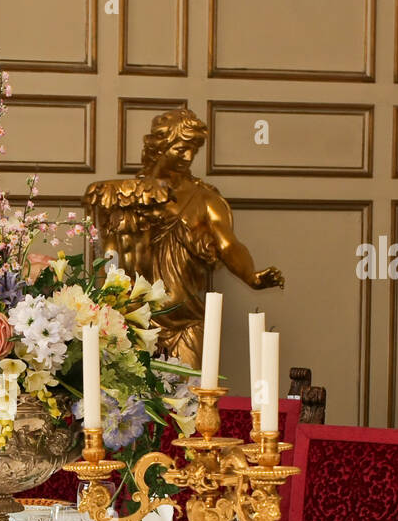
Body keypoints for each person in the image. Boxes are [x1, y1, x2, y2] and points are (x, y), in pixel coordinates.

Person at [84, 108, 285, 368]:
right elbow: (109, 258)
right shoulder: (123, 197)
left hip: (185, 322)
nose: (188, 157)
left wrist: (252, 276)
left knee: (194, 403)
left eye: (194, 149)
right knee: (131, 406)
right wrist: (101, 312)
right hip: (131, 322)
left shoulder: (206, 200)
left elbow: (229, 245)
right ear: (160, 146)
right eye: (181, 149)